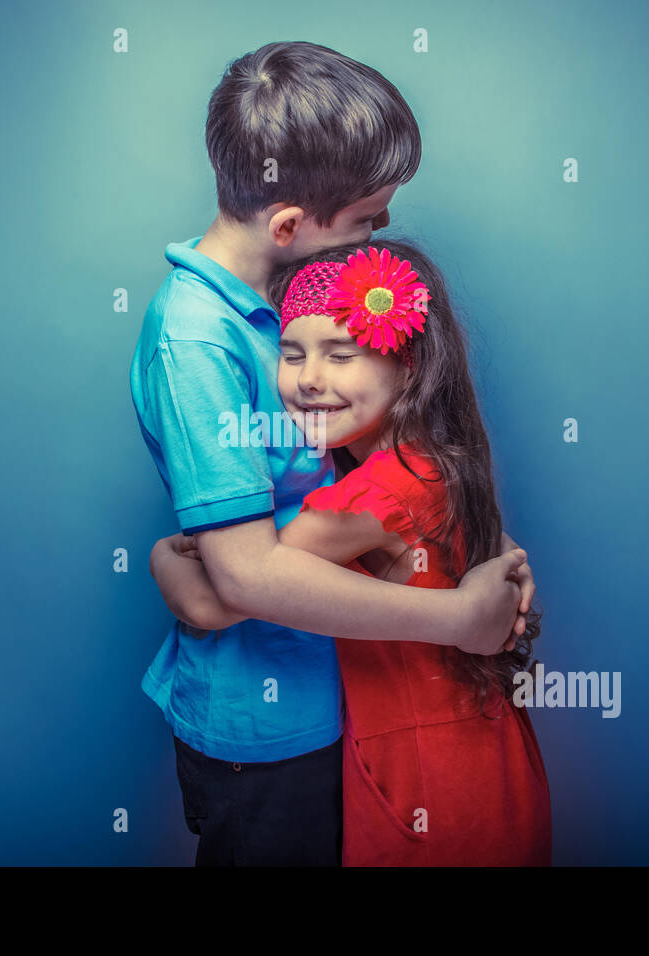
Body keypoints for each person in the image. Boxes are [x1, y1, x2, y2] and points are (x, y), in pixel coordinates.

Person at [129, 41, 532, 867]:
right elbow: (237, 583)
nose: (377, 235)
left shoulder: (289, 306)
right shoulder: (196, 340)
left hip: (340, 700)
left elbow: (363, 480)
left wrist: (472, 557)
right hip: (266, 728)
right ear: (289, 226)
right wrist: (459, 616)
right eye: (366, 218)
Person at [151, 239, 551, 865]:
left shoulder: (374, 495)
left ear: (410, 367)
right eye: (291, 354)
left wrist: (160, 556)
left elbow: (221, 596)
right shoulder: (435, 462)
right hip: (485, 749)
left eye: (342, 355)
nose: (310, 379)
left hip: (424, 771)